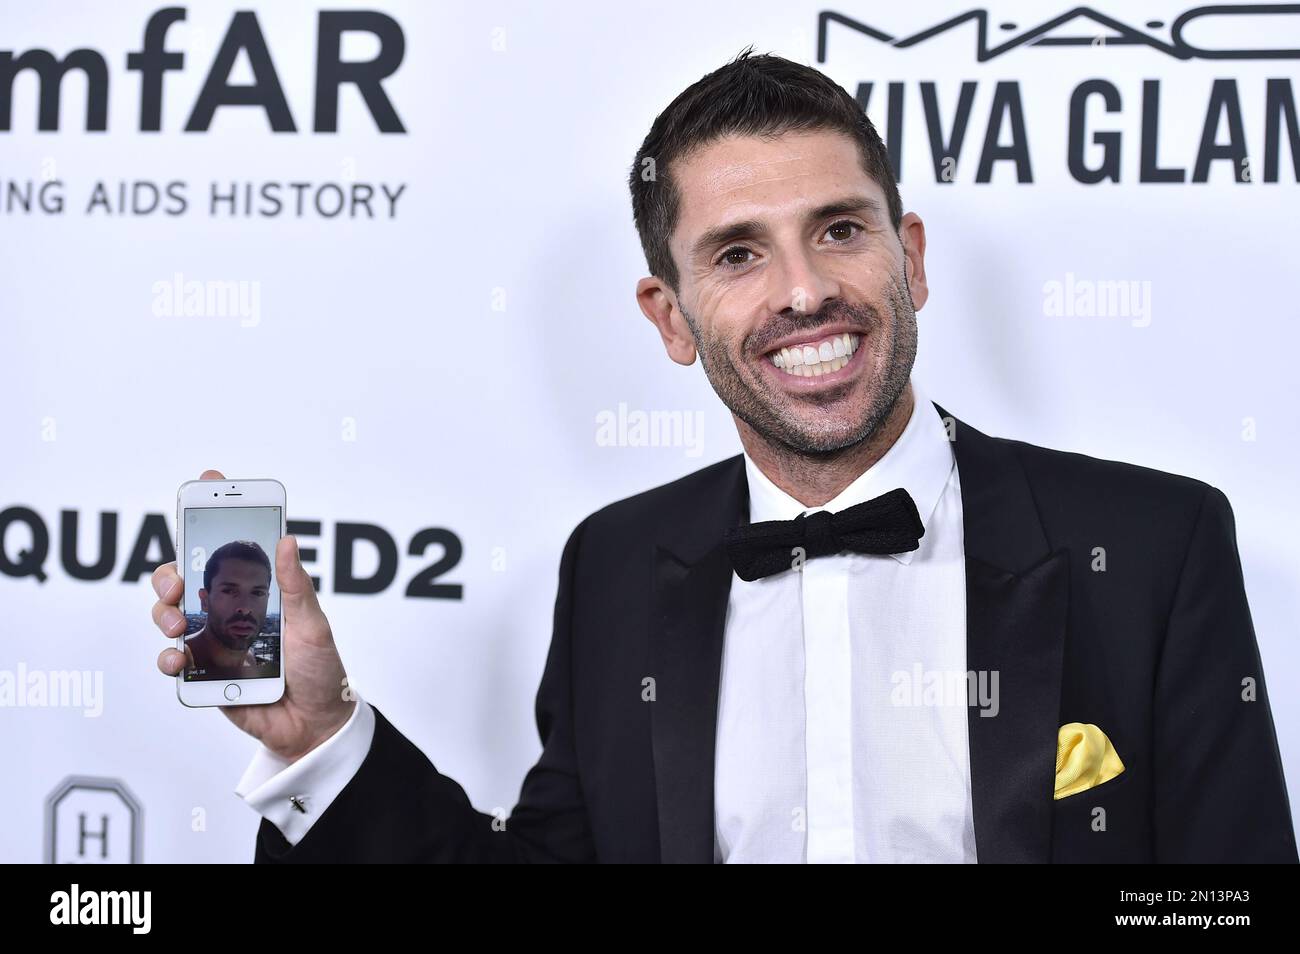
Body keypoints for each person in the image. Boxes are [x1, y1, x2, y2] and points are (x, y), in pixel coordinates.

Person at [150, 50, 1295, 863]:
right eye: (738, 253)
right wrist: (320, 737)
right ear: (670, 317)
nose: (804, 292)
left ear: (912, 260)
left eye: (839, 231)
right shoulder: (616, 565)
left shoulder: (1149, 544)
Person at [182, 540, 278, 681]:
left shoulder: (251, 662)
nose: (245, 609)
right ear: (204, 600)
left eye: (257, 593)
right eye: (229, 591)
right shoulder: (183, 660)